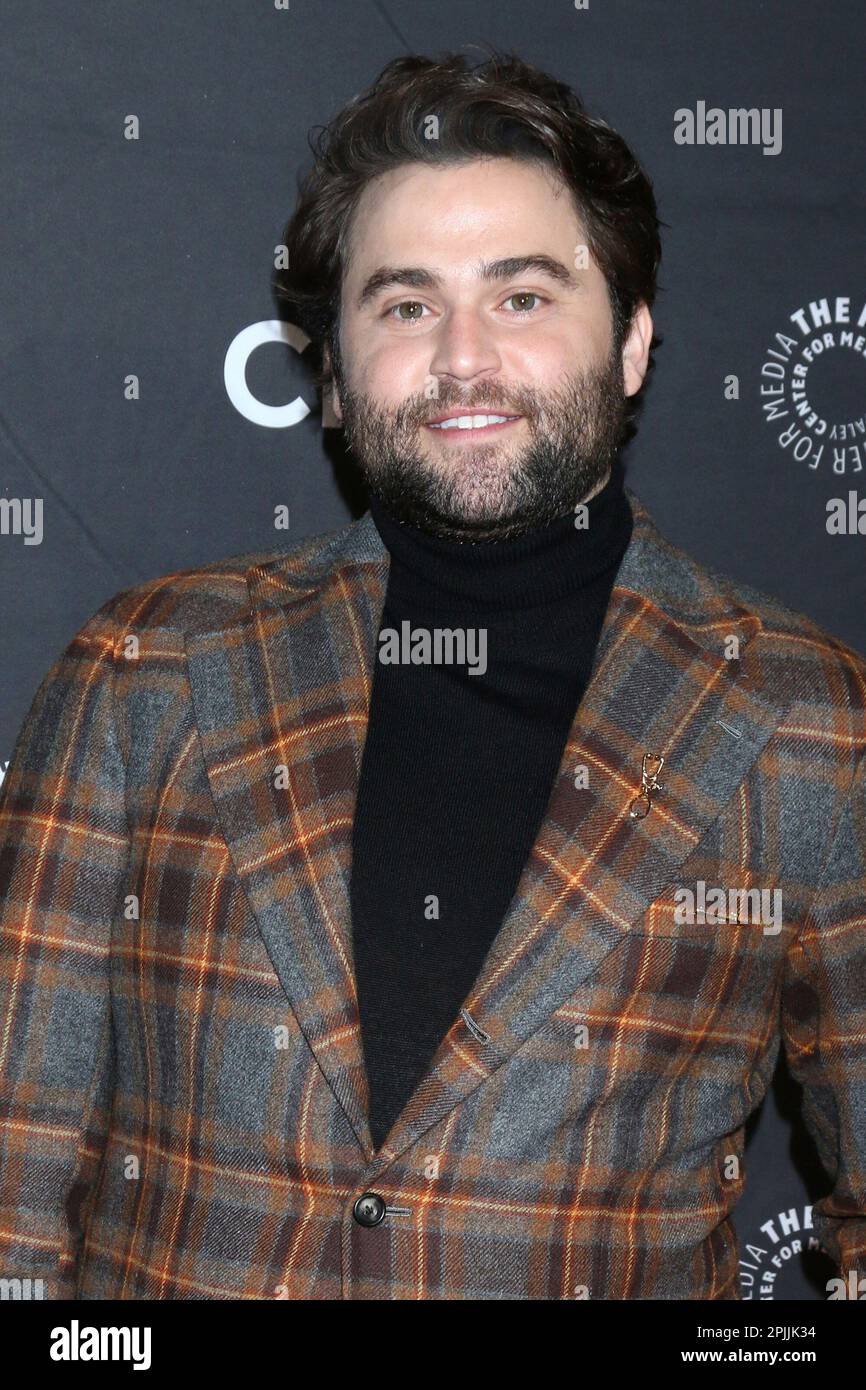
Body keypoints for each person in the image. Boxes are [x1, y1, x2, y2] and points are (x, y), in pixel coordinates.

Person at [0, 50, 864, 1301]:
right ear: (335, 379)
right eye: (405, 304)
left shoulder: (805, 720)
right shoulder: (150, 666)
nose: (462, 357)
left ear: (629, 343)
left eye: (521, 297)